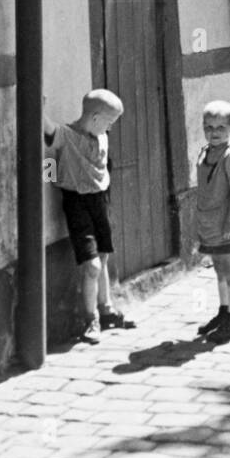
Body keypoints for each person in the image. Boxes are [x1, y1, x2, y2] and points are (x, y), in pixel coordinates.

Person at [43, 88, 135, 342]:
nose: (111, 128)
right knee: (92, 266)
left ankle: (107, 312)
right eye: (109, 122)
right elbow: (50, 138)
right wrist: (38, 108)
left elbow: (104, 166)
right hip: (77, 204)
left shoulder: (101, 135)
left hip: (100, 201)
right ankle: (90, 319)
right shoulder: (69, 136)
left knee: (103, 259)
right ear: (95, 118)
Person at [196, 100, 230, 344]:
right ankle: (224, 312)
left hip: (227, 226)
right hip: (211, 225)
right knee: (219, 271)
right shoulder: (206, 152)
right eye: (209, 127)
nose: (214, 133)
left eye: (220, 128)